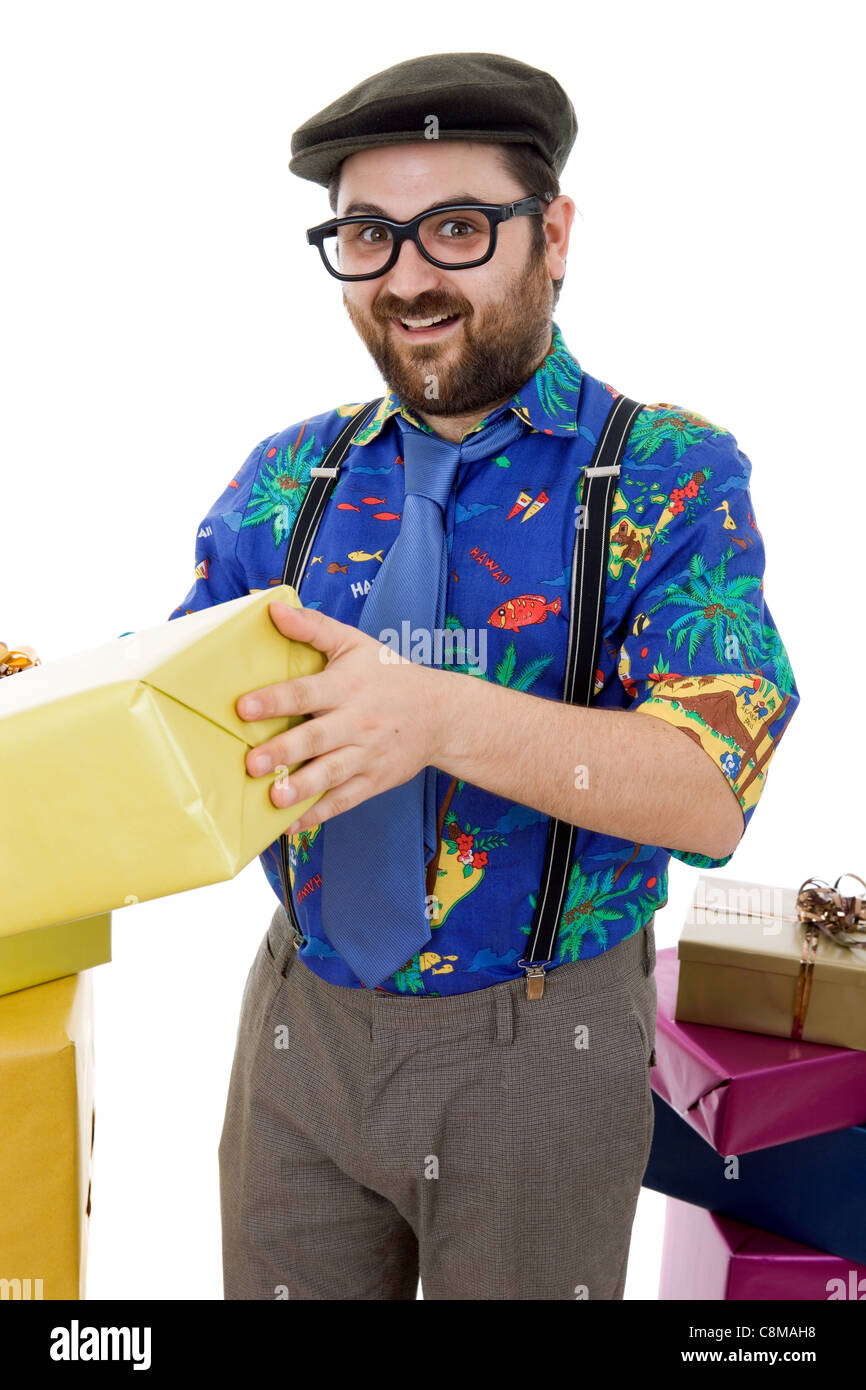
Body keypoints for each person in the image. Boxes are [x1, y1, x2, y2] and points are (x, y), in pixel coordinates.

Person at [168, 52, 799, 1300]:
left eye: (456, 228)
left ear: (550, 233)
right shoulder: (284, 478)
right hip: (296, 1027)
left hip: (540, 1047)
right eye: (366, 234)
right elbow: (178, 731)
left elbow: (707, 792)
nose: (407, 278)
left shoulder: (668, 475)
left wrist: (435, 714)